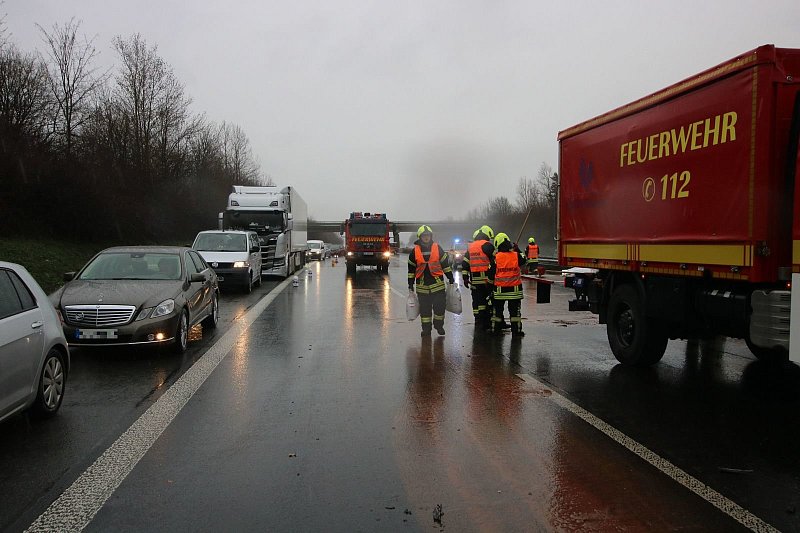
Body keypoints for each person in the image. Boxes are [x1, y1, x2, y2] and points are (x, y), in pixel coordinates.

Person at [408, 225, 455, 337]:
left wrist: (450, 277)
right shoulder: (414, 252)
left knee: (440, 307)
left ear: (431, 236)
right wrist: (410, 283)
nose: (426, 238)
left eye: (428, 235)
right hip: (422, 287)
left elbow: (445, 266)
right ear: (420, 237)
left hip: (437, 285)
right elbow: (411, 271)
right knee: (425, 311)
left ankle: (439, 325)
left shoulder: (438, 248)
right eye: (424, 236)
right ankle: (426, 329)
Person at [488, 233, 526, 337]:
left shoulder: (496, 258)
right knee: (515, 314)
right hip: (515, 292)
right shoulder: (516, 255)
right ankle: (517, 331)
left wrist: (490, 288)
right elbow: (524, 260)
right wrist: (517, 249)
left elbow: (491, 275)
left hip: (499, 292)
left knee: (497, 313)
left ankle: (495, 330)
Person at [462, 225, 495, 331]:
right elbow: (496, 261)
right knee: (488, 301)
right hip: (487, 280)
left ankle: (478, 321)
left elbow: (465, 263)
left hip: (475, 281)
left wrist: (465, 277)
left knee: (477, 301)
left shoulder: (471, 247)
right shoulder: (487, 245)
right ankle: (487, 321)